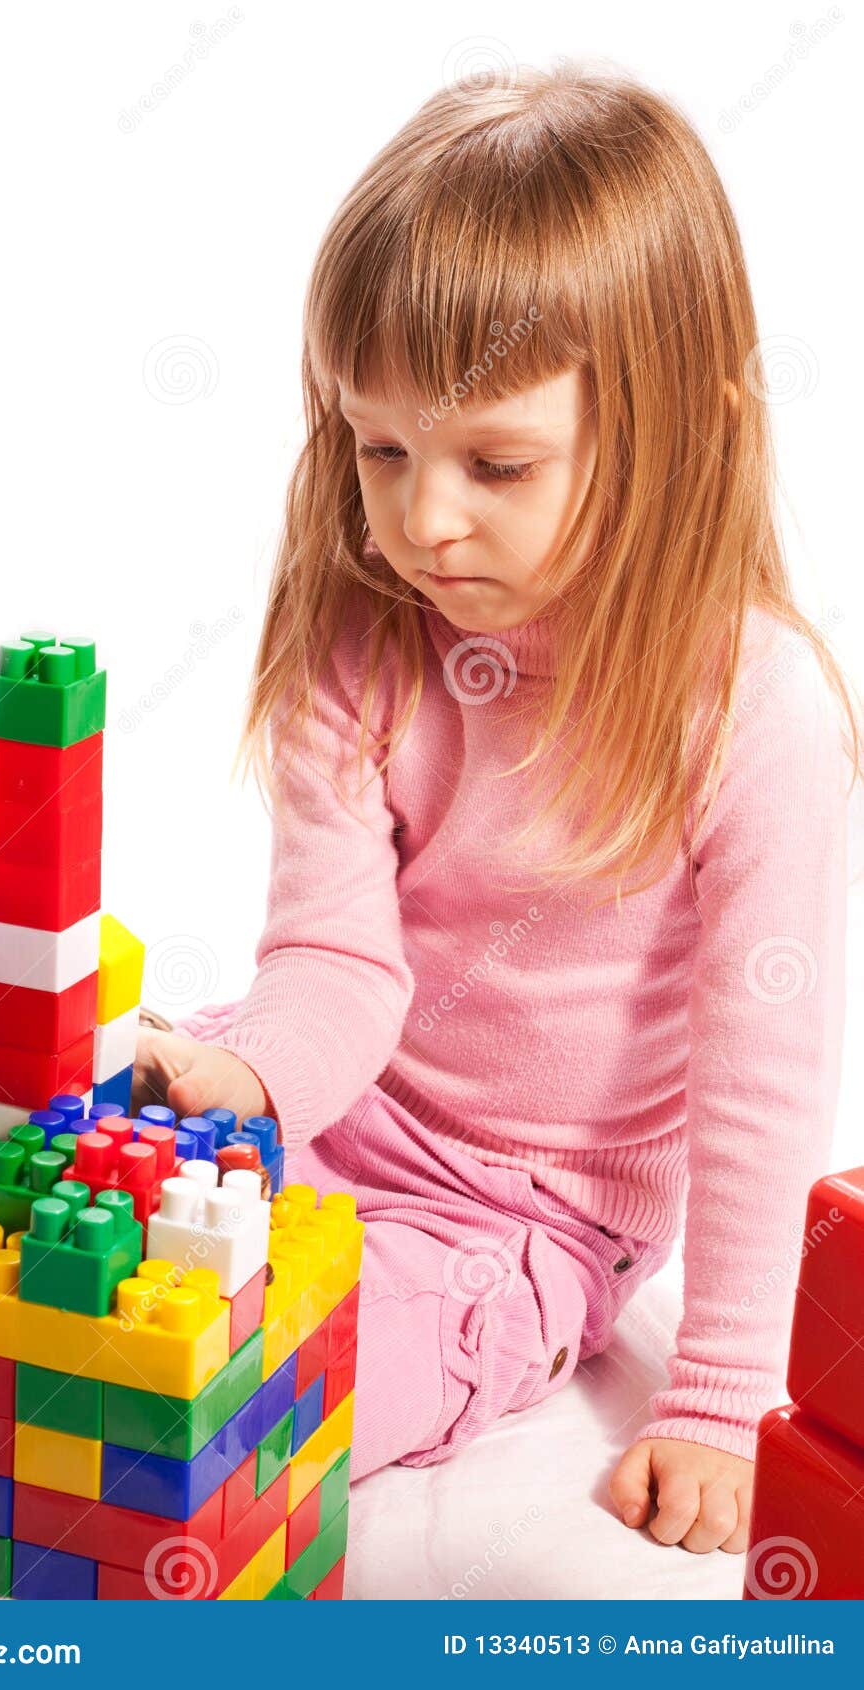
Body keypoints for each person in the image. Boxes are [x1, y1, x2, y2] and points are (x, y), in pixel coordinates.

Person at [133, 63, 858, 1556]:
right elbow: (335, 966)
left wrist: (721, 1393)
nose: (420, 519)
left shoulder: (751, 704)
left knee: (276, 1390)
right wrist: (247, 1080)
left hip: (526, 1213)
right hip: (331, 1110)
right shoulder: (365, 635)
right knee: (57, 1204)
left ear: (683, 433)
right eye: (377, 447)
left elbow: (759, 1075)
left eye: (497, 462)